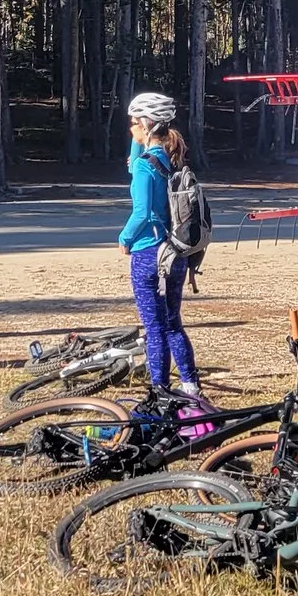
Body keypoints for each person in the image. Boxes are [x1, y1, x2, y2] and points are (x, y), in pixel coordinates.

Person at [119, 92, 203, 403]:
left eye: (133, 124)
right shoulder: (167, 159)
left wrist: (125, 238)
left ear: (145, 123)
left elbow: (141, 212)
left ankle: (159, 392)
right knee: (172, 324)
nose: (130, 129)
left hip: (147, 254)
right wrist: (139, 141)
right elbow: (133, 166)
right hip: (174, 253)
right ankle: (191, 386)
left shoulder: (145, 166)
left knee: (154, 329)